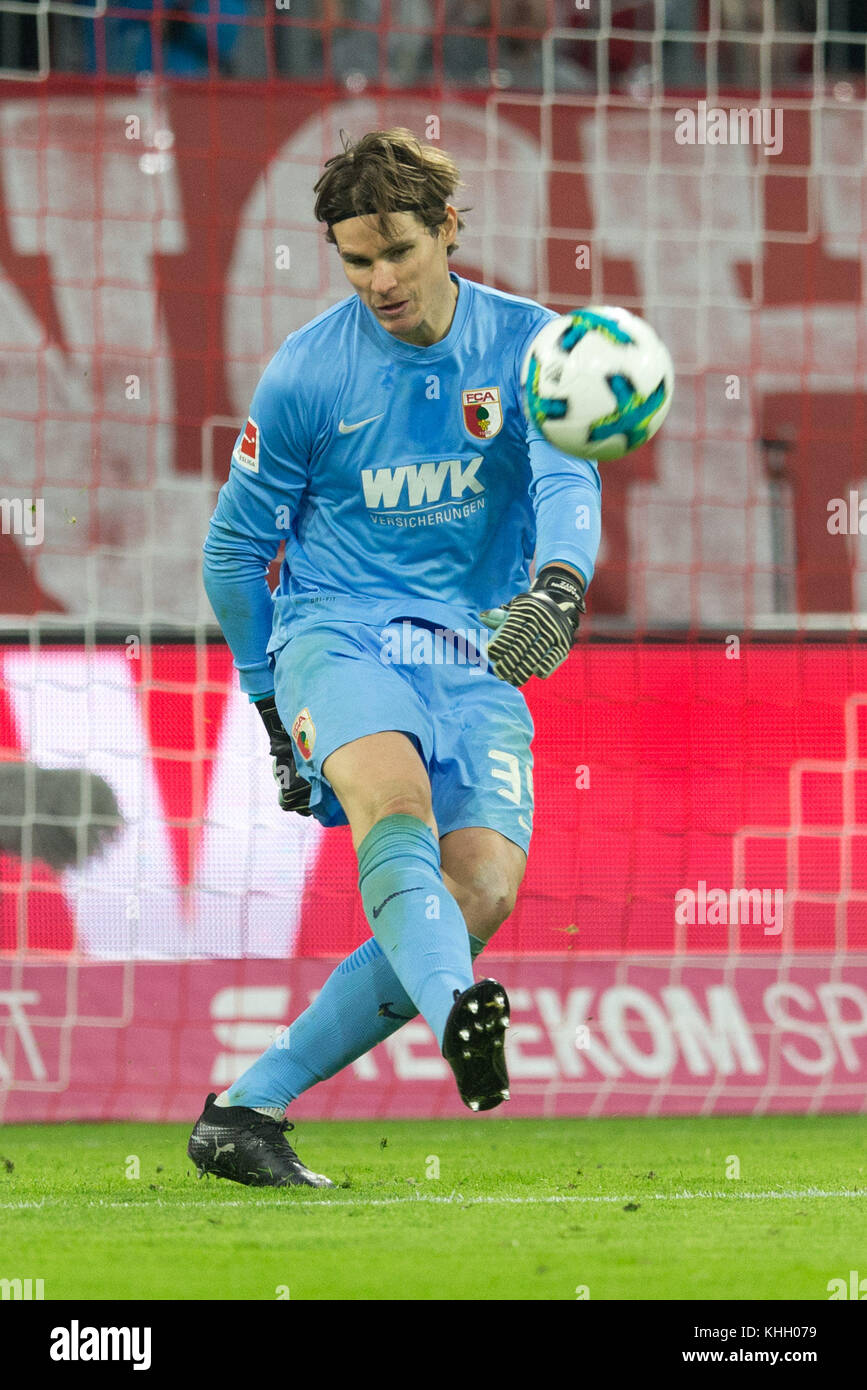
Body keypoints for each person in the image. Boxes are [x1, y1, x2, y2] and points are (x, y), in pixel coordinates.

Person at [188, 128, 601, 1188]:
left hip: (475, 645)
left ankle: (245, 1109)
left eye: (398, 253)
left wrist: (557, 586)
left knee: (484, 888)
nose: (379, 280)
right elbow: (235, 551)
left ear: (449, 231)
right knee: (395, 803)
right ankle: (461, 1008)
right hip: (338, 628)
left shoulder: (531, 348)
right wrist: (272, 706)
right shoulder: (307, 375)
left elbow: (567, 484)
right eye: (357, 260)